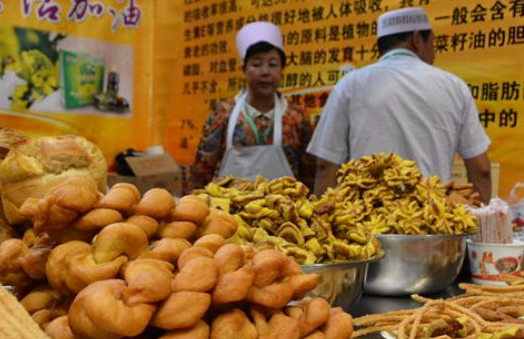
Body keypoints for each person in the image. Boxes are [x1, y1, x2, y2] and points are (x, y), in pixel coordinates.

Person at [306, 7, 492, 204]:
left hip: (365, 224)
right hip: (434, 223)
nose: (435, 54)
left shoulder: (350, 85)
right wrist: (480, 225)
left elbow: (326, 164)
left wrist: (323, 225)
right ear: (417, 39)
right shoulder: (454, 87)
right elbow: (481, 170)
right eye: (434, 44)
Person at [190, 21, 316, 190]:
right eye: (256, 64)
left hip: (286, 212)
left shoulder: (297, 117)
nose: (265, 72)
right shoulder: (224, 113)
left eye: (272, 64)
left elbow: (310, 175)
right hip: (227, 212)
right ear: (244, 69)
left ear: (281, 70)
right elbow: (202, 171)